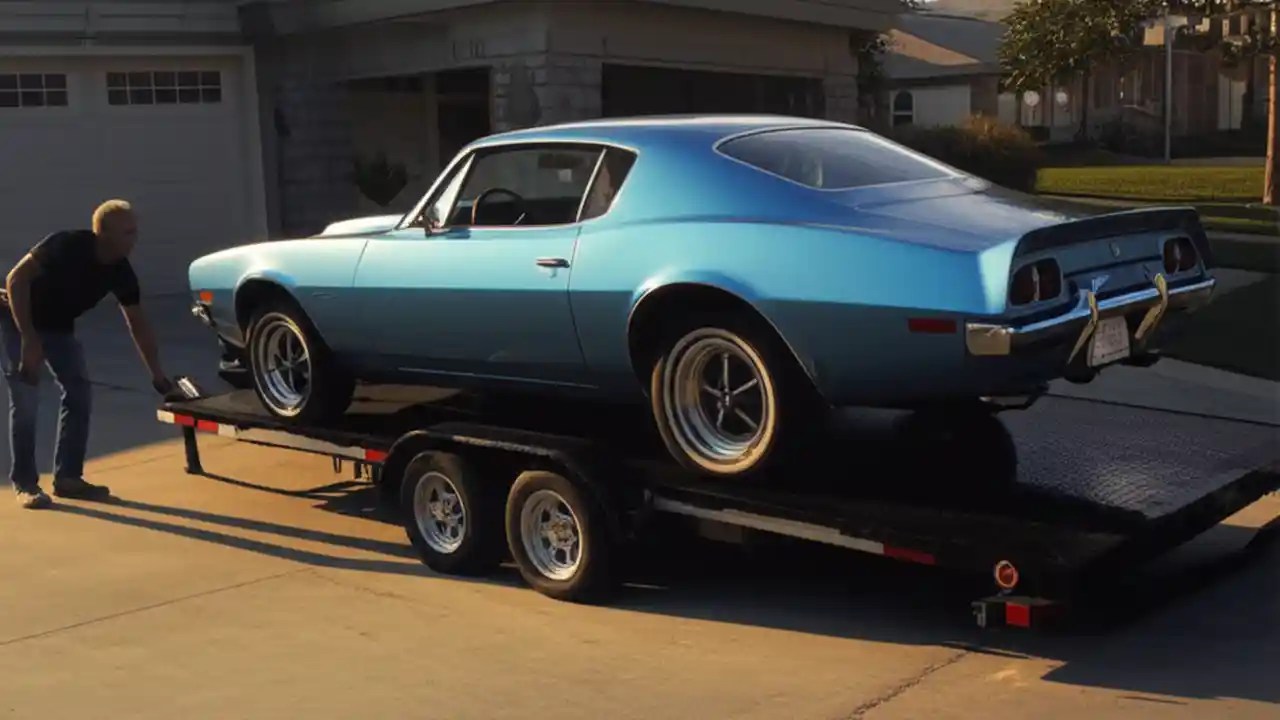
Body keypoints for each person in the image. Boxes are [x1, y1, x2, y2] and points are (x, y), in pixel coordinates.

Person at [1, 199, 175, 509]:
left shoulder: (120, 271)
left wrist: (158, 377)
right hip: (19, 322)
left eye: (135, 232)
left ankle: (68, 478)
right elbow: (16, 279)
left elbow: (137, 322)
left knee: (79, 391)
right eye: (127, 232)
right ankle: (25, 483)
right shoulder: (67, 245)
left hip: (58, 327)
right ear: (103, 233)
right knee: (26, 399)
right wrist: (28, 336)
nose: (134, 239)